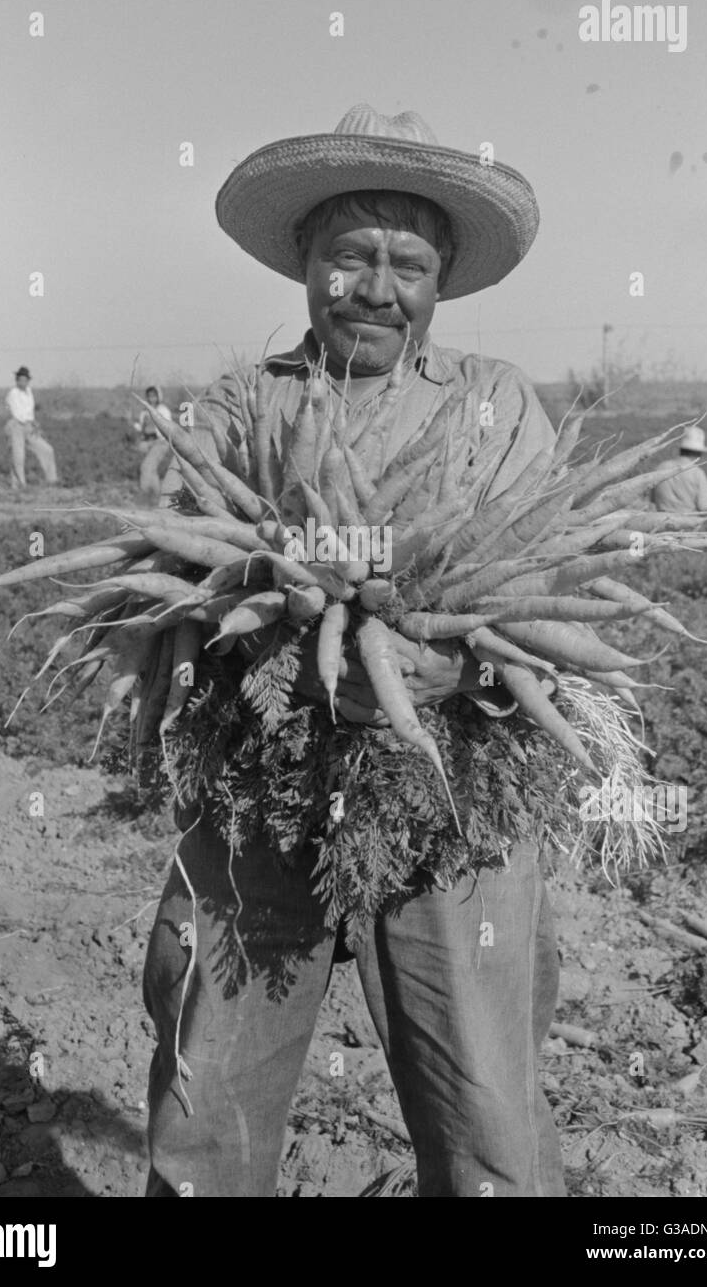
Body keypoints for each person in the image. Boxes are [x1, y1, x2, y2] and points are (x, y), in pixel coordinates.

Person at [146, 104, 566, 1198]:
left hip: (452, 792)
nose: (376, 287)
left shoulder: (494, 405)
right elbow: (184, 585)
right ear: (305, 263)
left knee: (485, 1118)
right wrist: (244, 624)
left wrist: (461, 671)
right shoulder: (244, 406)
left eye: (406, 263)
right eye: (350, 256)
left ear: (440, 280)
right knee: (207, 1106)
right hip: (257, 787)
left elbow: (539, 592)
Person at [3, 366, 58, 488]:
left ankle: (52, 480)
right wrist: (28, 422)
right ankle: (19, 485)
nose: (23, 382)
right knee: (18, 456)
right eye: (20, 379)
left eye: (25, 380)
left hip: (28, 426)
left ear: (28, 381)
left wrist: (34, 423)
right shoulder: (13, 393)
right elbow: (18, 413)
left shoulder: (29, 392)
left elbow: (29, 411)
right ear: (17, 380)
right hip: (16, 425)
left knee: (47, 450)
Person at [652, 425, 707, 513]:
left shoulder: (660, 468)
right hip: (687, 522)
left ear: (681, 449)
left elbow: (653, 499)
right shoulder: (697, 473)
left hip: (660, 523)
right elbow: (704, 507)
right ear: (699, 453)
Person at [131, 385, 173, 499]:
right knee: (150, 468)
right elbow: (141, 427)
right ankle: (155, 495)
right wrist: (132, 425)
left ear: (158, 397)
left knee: (146, 467)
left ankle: (146, 494)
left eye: (153, 396)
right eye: (149, 396)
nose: (151, 399)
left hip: (160, 442)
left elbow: (168, 427)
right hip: (147, 441)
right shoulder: (144, 412)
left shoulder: (163, 410)